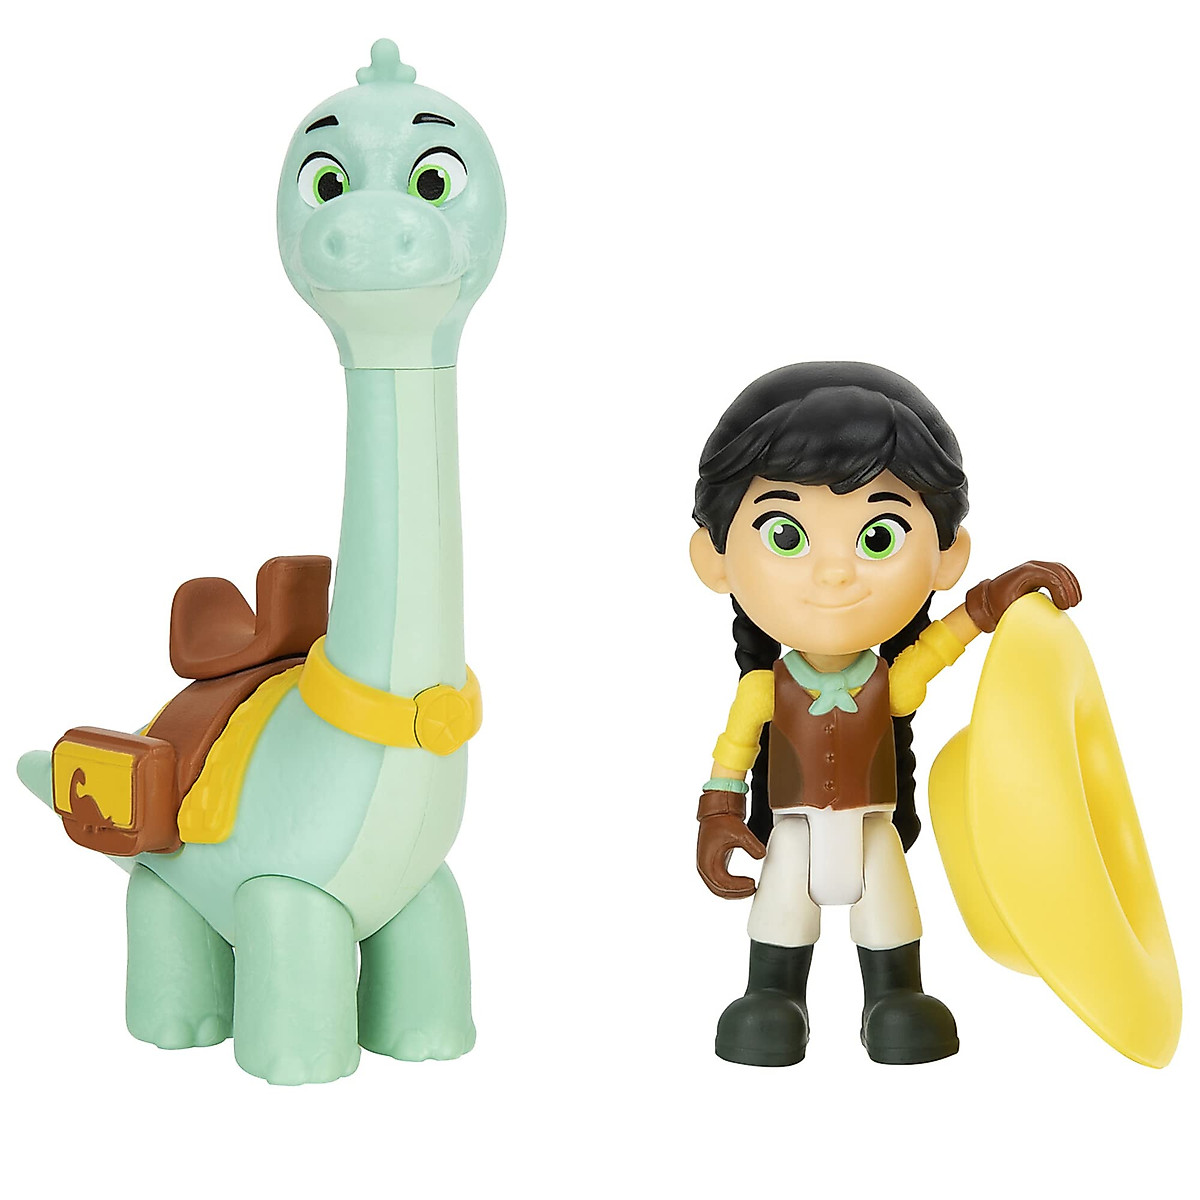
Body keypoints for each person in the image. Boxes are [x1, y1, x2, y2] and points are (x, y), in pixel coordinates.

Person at [690, 361, 1080, 1066]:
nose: (835, 572)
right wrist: (718, 815)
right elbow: (731, 755)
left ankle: (894, 993)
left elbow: (940, 646)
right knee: (782, 904)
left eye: (878, 537)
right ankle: (772, 993)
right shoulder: (764, 691)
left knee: (888, 901)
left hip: (872, 825)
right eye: (786, 535)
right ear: (714, 559)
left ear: (946, 557)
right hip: (793, 830)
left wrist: (992, 602)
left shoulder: (889, 684)